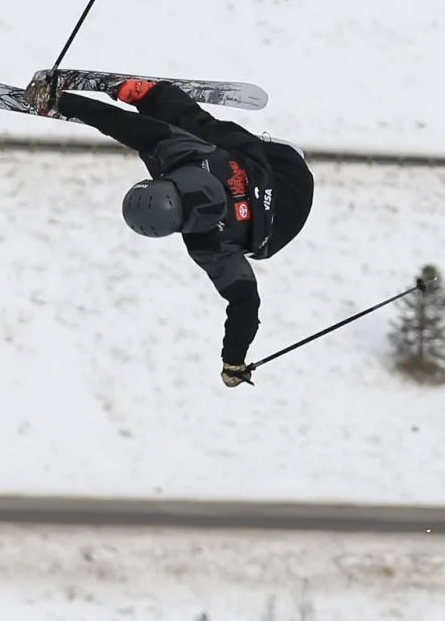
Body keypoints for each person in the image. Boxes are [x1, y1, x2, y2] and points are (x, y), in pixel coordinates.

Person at [49, 76, 316, 387]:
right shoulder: (196, 159)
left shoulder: (210, 243)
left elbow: (246, 302)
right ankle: (148, 94)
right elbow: (120, 125)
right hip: (286, 169)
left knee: (162, 144)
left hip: (278, 229)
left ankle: (151, 101)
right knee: (193, 132)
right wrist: (63, 102)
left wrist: (234, 360)